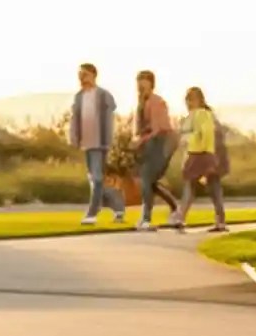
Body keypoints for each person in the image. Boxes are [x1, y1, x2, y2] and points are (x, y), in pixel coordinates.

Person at [69, 63, 124, 225]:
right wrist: (74, 137)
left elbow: (110, 112)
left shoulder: (103, 94)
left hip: (100, 142)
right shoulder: (79, 96)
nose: (82, 78)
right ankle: (118, 207)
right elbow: (75, 118)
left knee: (97, 178)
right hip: (86, 142)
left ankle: (92, 212)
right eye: (80, 75)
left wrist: (109, 139)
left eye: (85, 75)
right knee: (95, 179)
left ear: (93, 75)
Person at [170, 87, 228, 232]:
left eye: (191, 99)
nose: (189, 103)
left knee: (194, 185)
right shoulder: (198, 115)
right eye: (187, 100)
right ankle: (219, 221)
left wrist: (200, 150)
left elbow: (205, 134)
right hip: (205, 155)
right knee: (210, 188)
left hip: (202, 155)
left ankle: (181, 216)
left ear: (199, 100)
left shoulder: (202, 114)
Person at [133, 70, 180, 232]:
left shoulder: (157, 102)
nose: (141, 90)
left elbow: (157, 128)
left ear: (151, 85)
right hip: (150, 143)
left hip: (163, 142)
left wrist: (140, 141)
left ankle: (146, 218)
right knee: (149, 182)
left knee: (147, 178)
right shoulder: (141, 103)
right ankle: (175, 208)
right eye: (139, 86)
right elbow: (139, 129)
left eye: (144, 86)